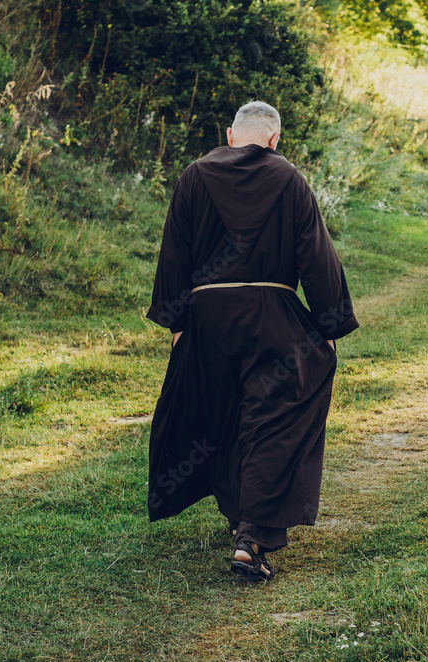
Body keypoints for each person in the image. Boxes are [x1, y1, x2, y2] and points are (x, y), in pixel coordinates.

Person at [144, 101, 358, 582]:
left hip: (208, 318)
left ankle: (239, 517)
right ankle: (253, 535)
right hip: (272, 316)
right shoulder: (288, 179)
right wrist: (327, 326)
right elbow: (316, 256)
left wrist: (178, 323)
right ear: (275, 140)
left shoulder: (195, 175)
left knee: (223, 414)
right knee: (277, 413)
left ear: (231, 135)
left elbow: (173, 251)